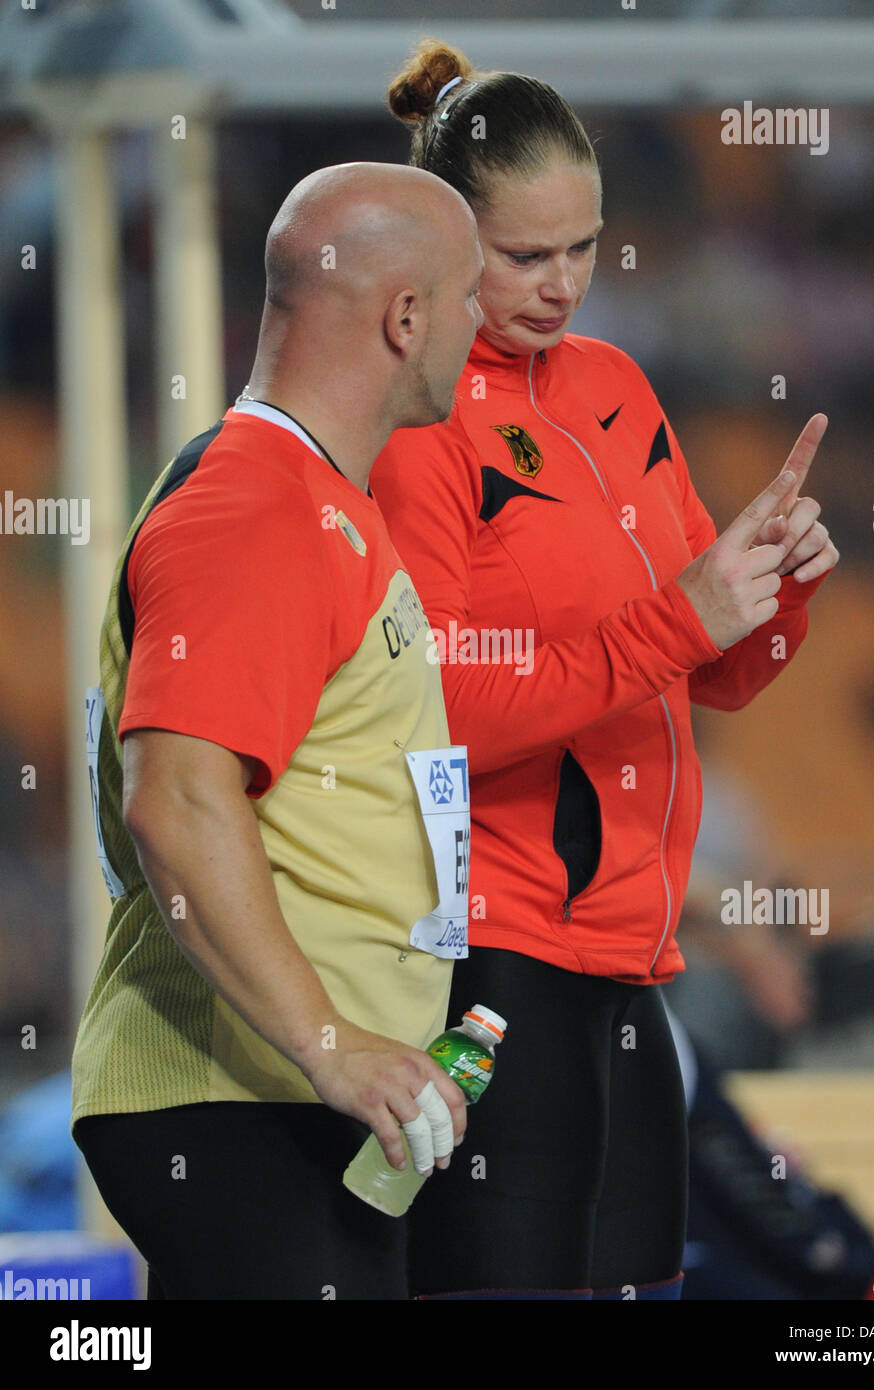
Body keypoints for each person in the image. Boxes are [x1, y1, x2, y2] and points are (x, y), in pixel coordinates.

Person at [371, 41, 840, 1300]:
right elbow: (439, 706)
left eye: (584, 247)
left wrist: (777, 587)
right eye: (526, 256)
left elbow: (711, 675)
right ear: (447, 240)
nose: (563, 283)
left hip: (632, 957)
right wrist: (679, 621)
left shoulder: (616, 385)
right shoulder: (421, 424)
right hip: (497, 956)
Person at [71, 162, 485, 1300]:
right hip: (242, 1100)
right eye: (470, 299)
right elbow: (178, 800)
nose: (482, 326)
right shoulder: (256, 504)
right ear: (407, 317)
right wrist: (328, 1041)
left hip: (296, 1107)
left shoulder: (318, 501)